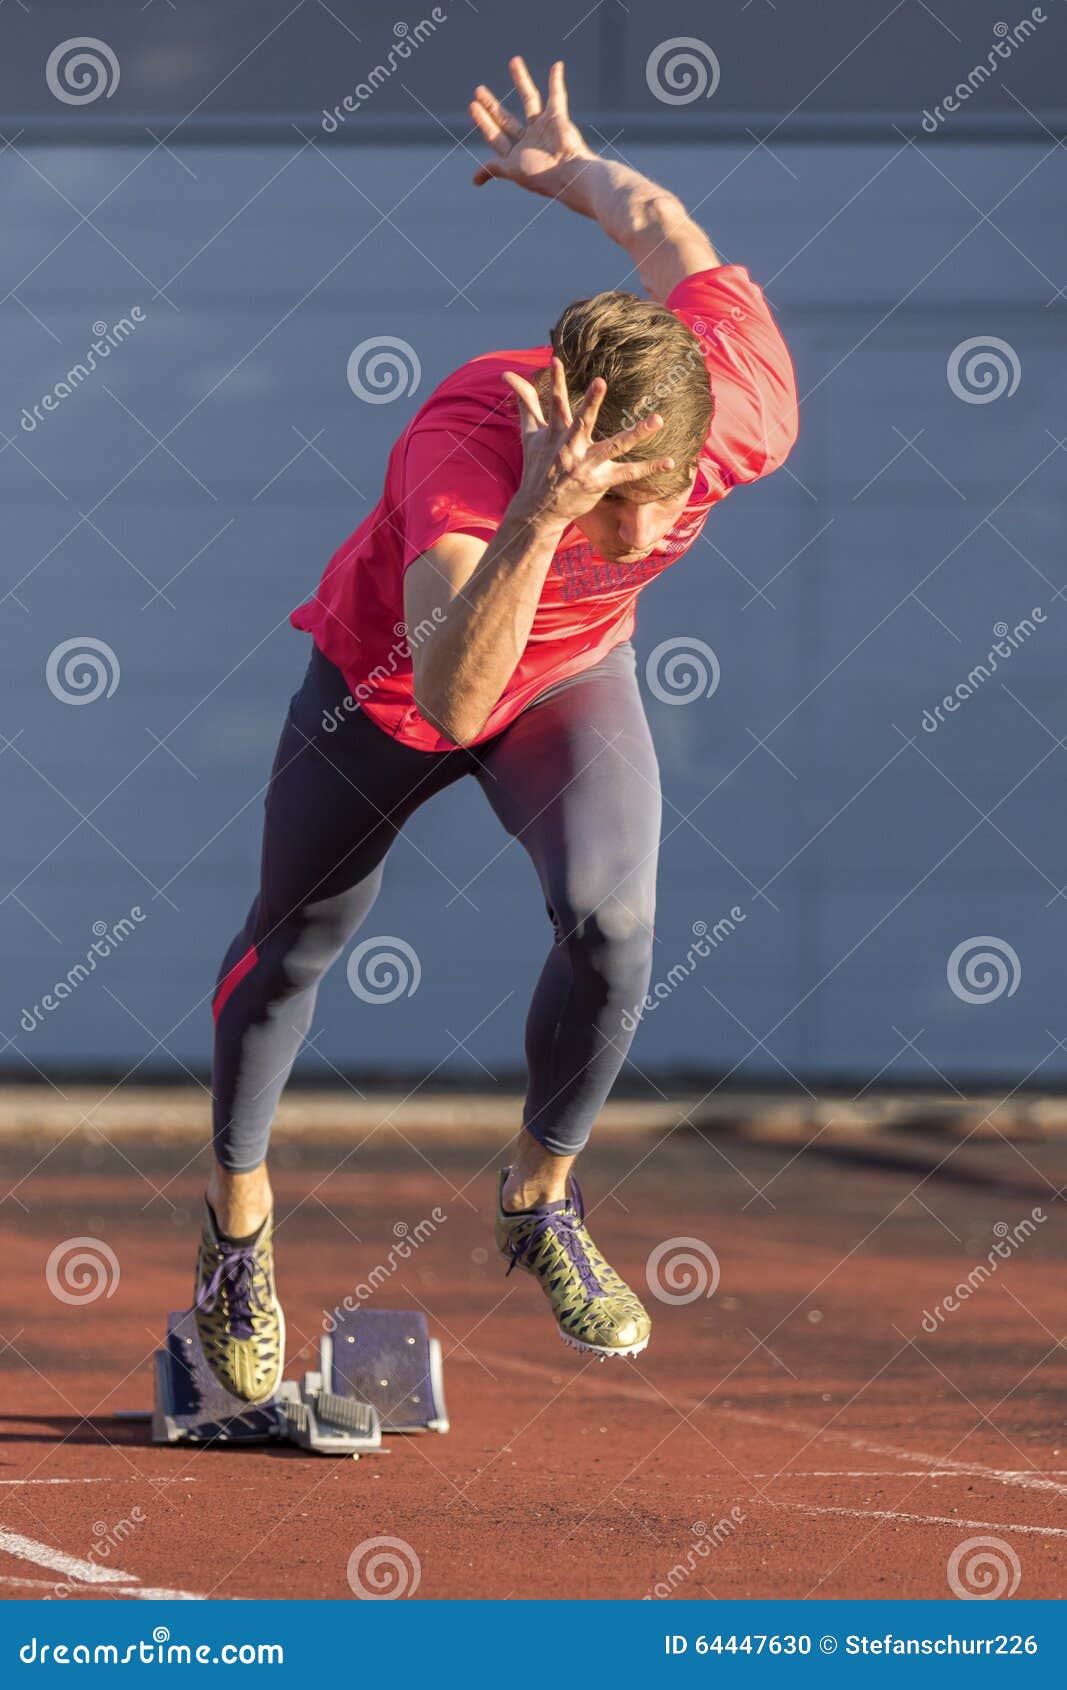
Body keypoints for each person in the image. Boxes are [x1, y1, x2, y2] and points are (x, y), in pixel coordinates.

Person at [192, 57, 799, 1400]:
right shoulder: (468, 444)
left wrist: (571, 172)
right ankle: (237, 1229)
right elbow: (455, 696)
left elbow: (665, 230)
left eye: (660, 497)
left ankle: (541, 1196)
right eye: (611, 500)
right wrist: (541, 508)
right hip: (394, 682)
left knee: (613, 920)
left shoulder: (743, 395)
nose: (641, 531)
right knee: (290, 950)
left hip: (568, 676)